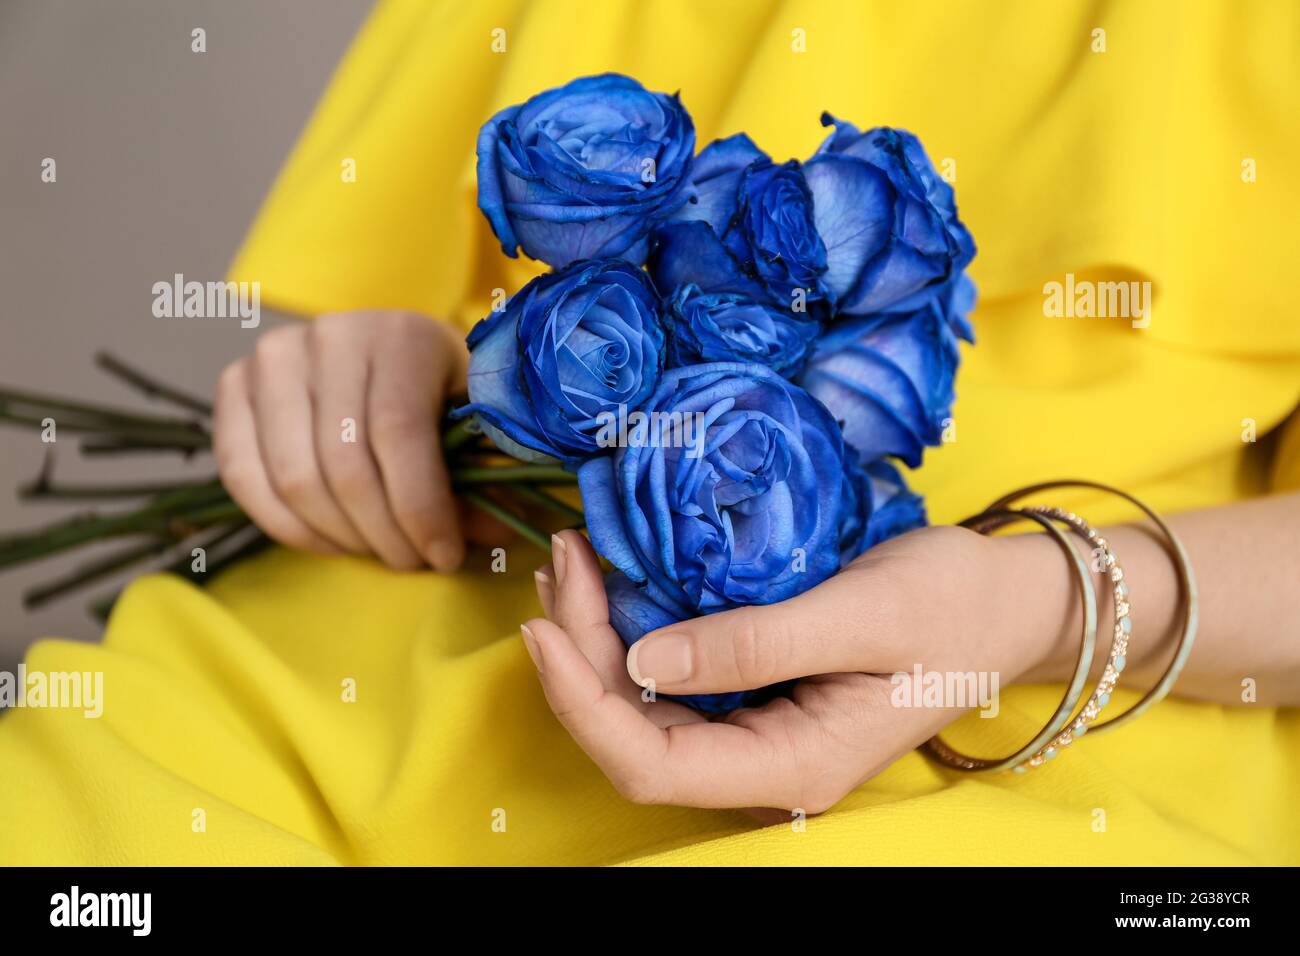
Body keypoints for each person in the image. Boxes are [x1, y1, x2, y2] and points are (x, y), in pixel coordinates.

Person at [2, 0, 1298, 865]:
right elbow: (441, 315)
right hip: (358, 682)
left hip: (1018, 761)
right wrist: (375, 383)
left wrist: (1032, 606)